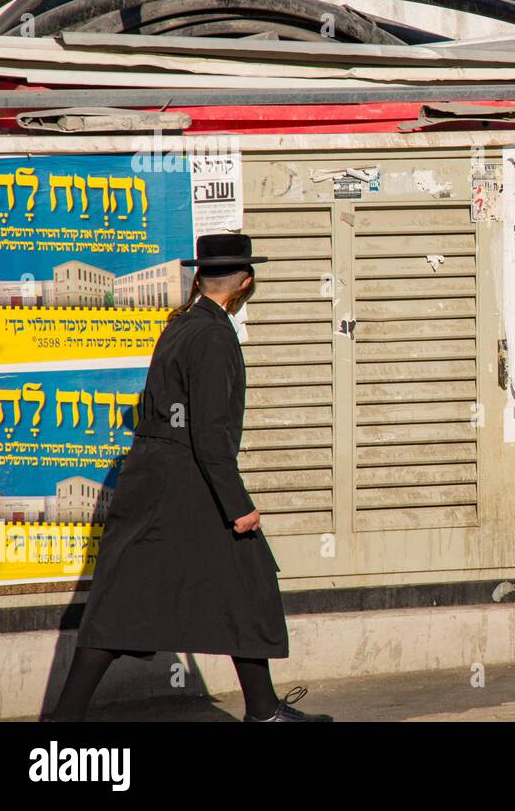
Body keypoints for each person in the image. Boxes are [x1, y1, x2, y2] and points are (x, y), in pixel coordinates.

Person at [46, 233, 331, 721]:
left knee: (145, 598)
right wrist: (238, 505)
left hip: (156, 478)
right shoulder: (215, 335)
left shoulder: (182, 324)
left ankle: (262, 708)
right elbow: (209, 432)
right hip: (187, 481)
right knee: (237, 582)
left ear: (201, 278)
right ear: (245, 282)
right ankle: (261, 711)